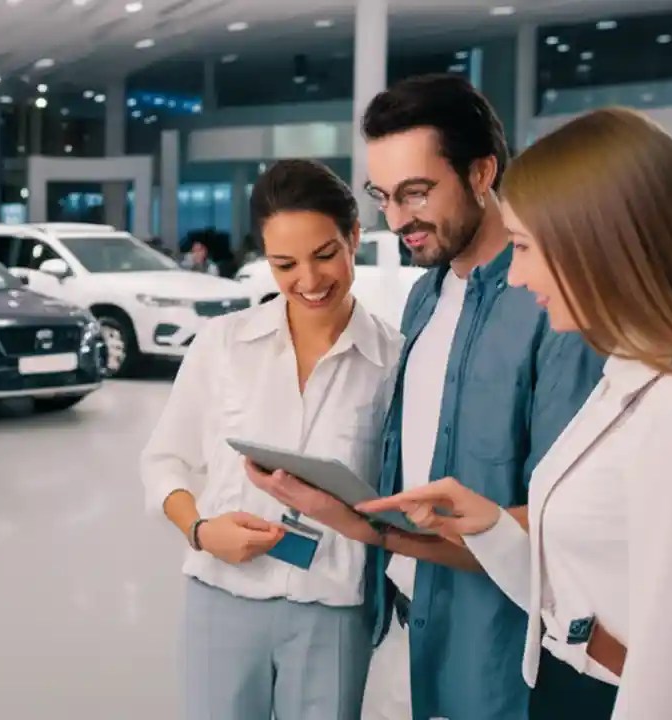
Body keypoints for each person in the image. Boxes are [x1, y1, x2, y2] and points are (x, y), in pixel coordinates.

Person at [242, 74, 606, 720]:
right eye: (384, 197)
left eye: (416, 193)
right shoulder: (423, 298)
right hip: (401, 636)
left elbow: (559, 525)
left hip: (496, 655)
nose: (398, 218)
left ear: (482, 172)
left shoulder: (555, 311)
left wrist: (370, 530)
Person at [358, 106, 672, 719]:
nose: (514, 275)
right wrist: (490, 523)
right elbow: (573, 574)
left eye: (523, 247)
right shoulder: (628, 377)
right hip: (560, 676)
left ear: (600, 246)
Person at [140, 159, 403, 720]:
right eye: (285, 264)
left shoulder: (391, 361)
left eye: (325, 254)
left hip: (333, 612)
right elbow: (164, 461)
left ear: (354, 236)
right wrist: (201, 530)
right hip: (224, 597)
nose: (308, 281)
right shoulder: (224, 344)